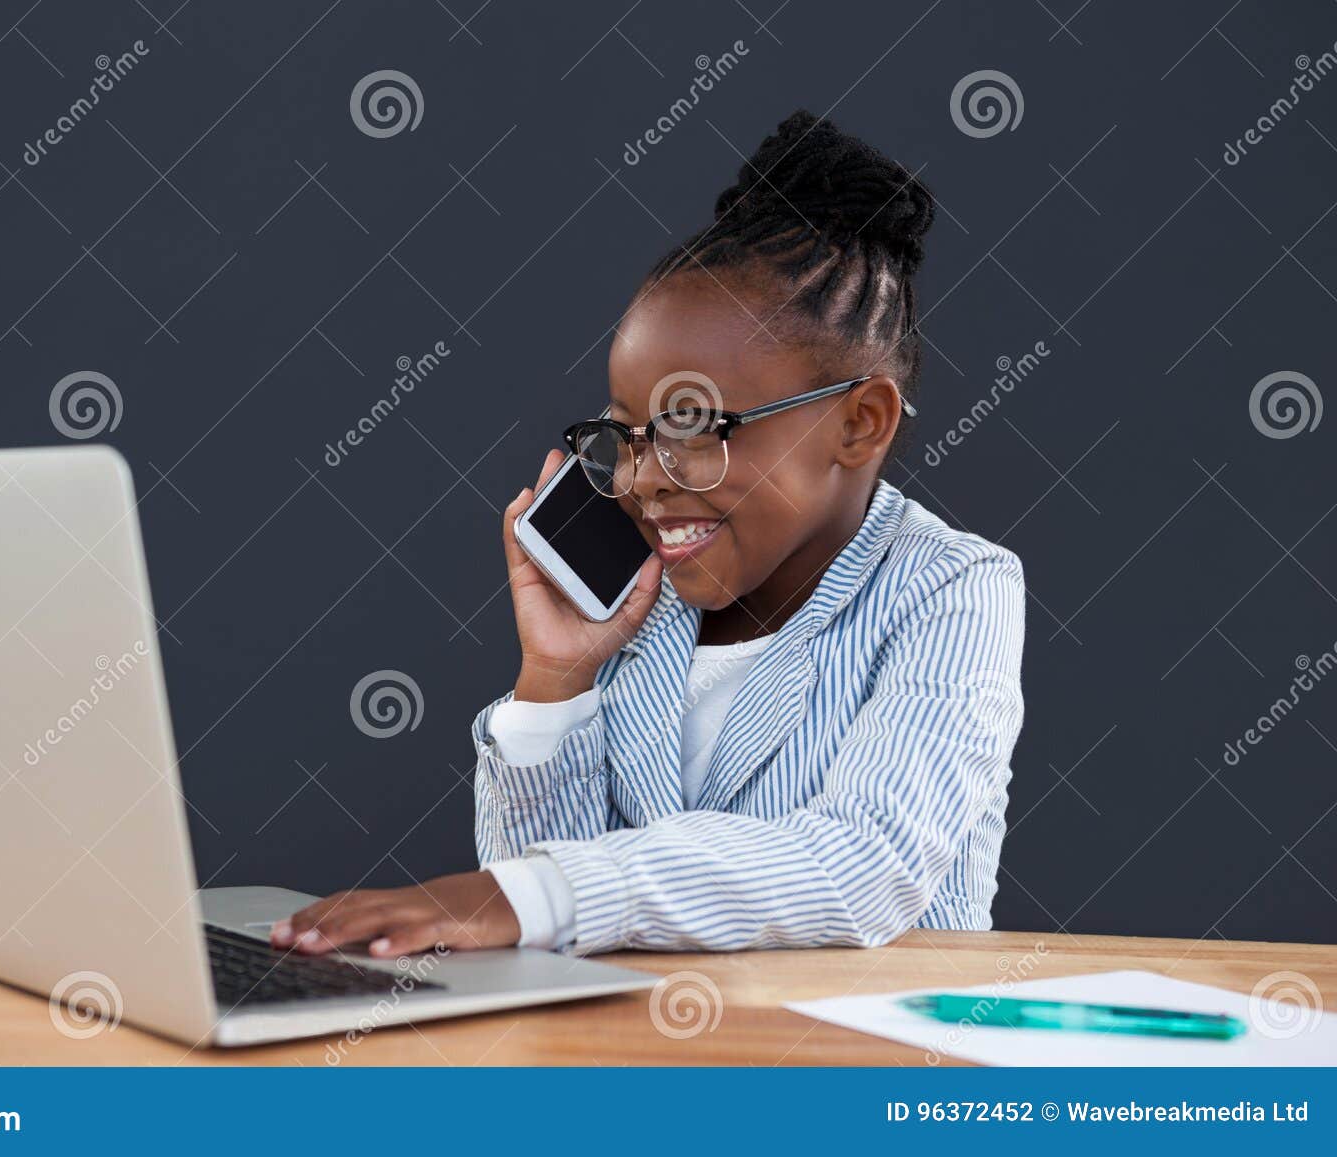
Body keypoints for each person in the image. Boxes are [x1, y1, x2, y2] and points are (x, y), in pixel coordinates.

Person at [273, 109, 1026, 957]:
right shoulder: (644, 603)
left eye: (692, 426)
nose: (638, 480)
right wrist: (556, 682)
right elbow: (543, 946)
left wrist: (533, 893)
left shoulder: (951, 589)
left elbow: (863, 866)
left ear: (860, 422)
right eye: (627, 435)